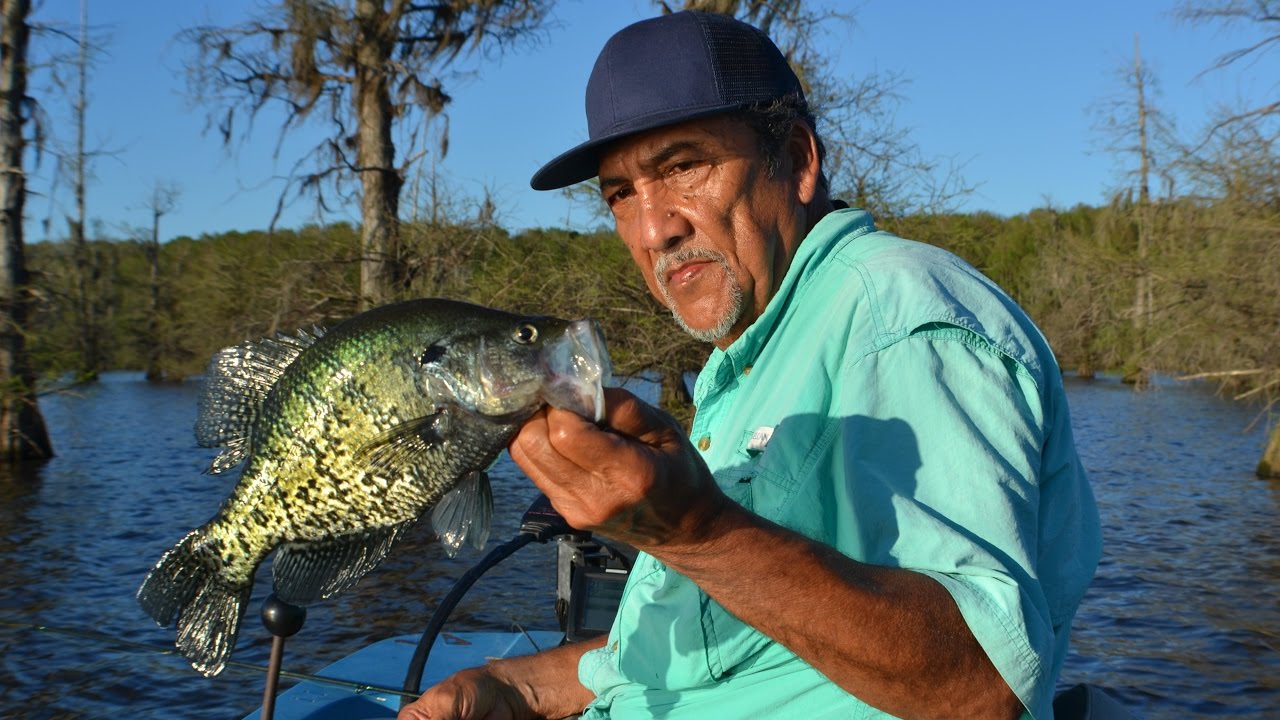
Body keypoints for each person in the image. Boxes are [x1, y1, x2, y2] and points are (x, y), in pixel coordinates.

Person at [400, 11, 1101, 720]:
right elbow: (699, 648)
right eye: (620, 194)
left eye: (683, 167)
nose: (652, 230)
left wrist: (693, 531)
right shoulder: (752, 355)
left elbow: (984, 687)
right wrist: (514, 688)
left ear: (796, 161)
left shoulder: (897, 317)